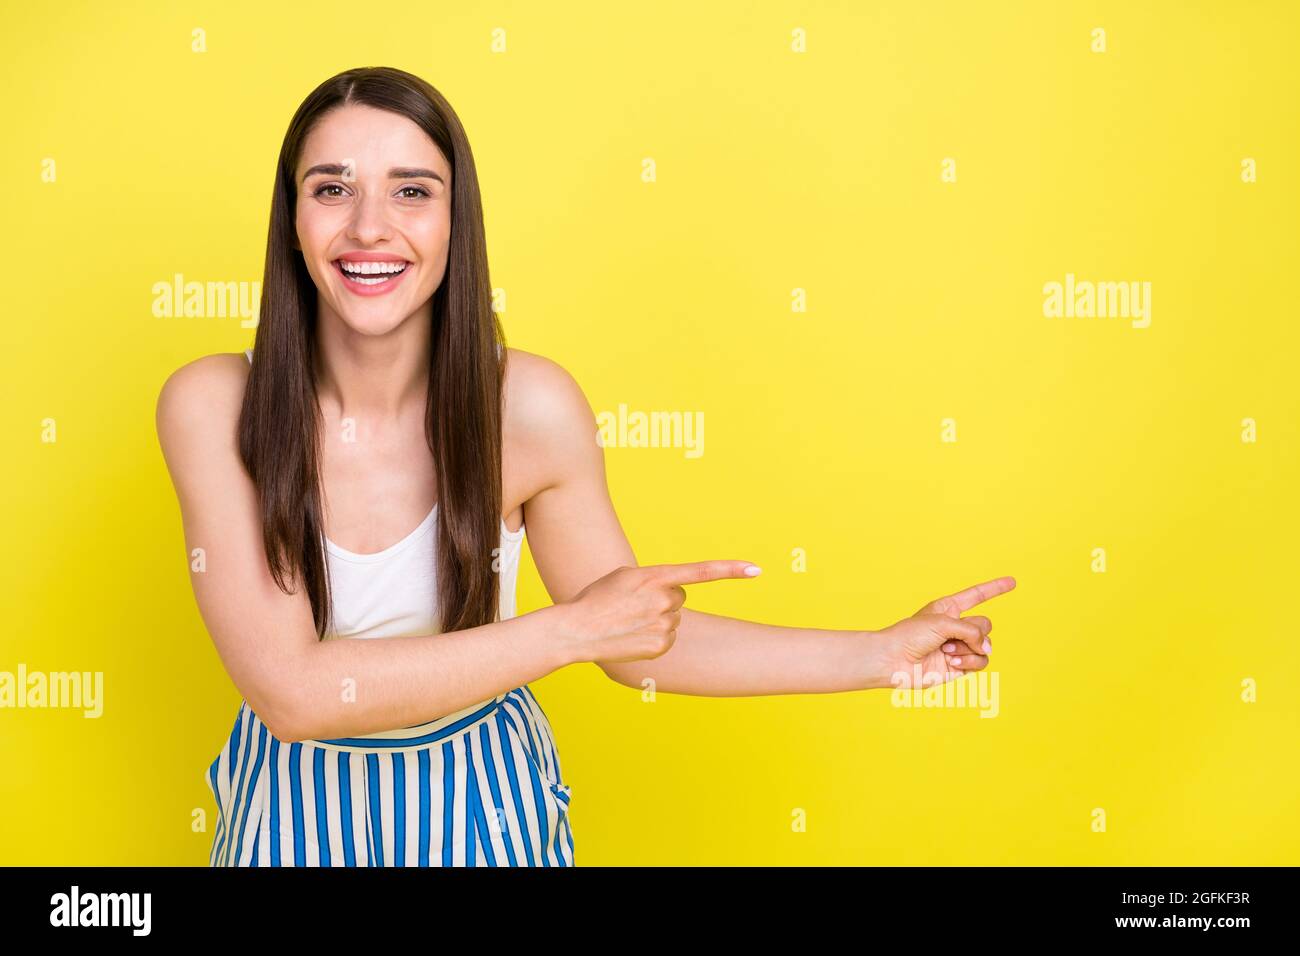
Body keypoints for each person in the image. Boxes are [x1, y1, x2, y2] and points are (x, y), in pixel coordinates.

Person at [155, 66, 1016, 867]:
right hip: (288, 809)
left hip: (482, 806)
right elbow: (296, 694)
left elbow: (635, 641)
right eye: (332, 189)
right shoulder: (212, 406)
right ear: (292, 220)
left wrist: (881, 654)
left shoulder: (529, 406)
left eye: (412, 191)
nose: (369, 226)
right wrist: (570, 631)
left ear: (456, 221)